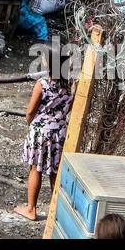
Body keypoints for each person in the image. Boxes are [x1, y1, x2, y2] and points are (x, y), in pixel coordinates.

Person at [13, 53, 74, 222]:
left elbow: (30, 111)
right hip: (59, 133)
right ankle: (57, 212)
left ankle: (31, 209)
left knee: (36, 169)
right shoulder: (69, 87)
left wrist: (33, 123)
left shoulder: (42, 84)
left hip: (41, 132)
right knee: (55, 172)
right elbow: (68, 109)